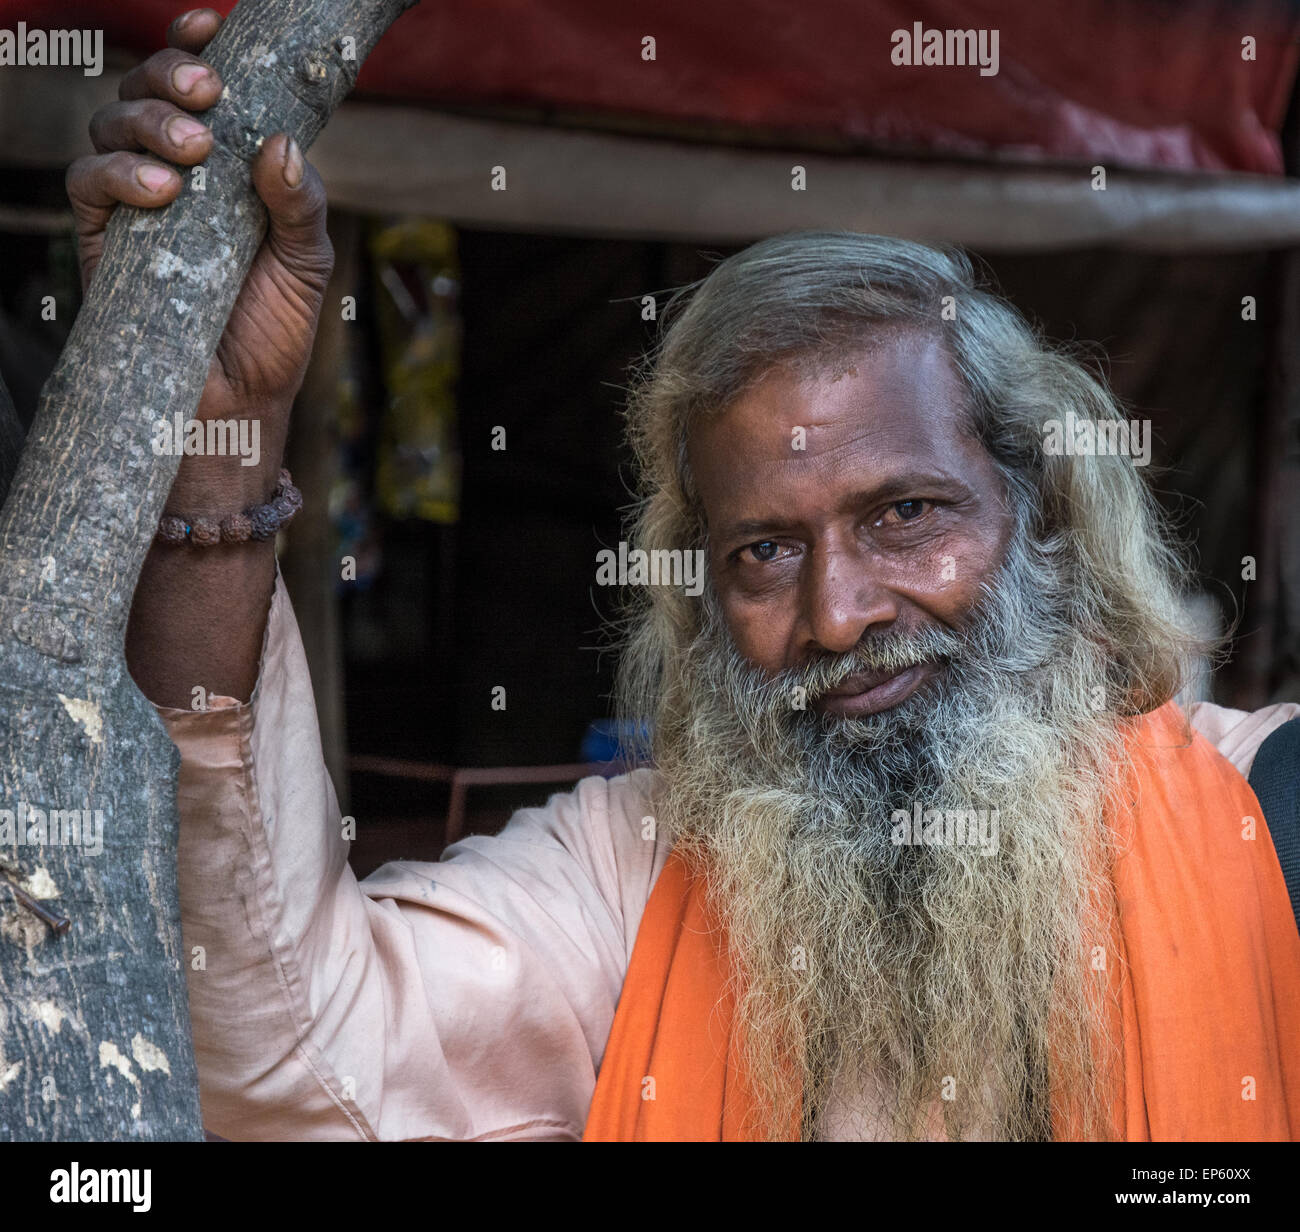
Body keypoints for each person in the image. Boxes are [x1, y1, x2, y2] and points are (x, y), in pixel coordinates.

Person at [70, 9, 1300, 1141]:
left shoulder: (1267, 827)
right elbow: (292, 1058)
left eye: (908, 514)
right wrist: (215, 452)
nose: (837, 613)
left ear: (1046, 525)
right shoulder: (634, 874)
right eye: (765, 551)